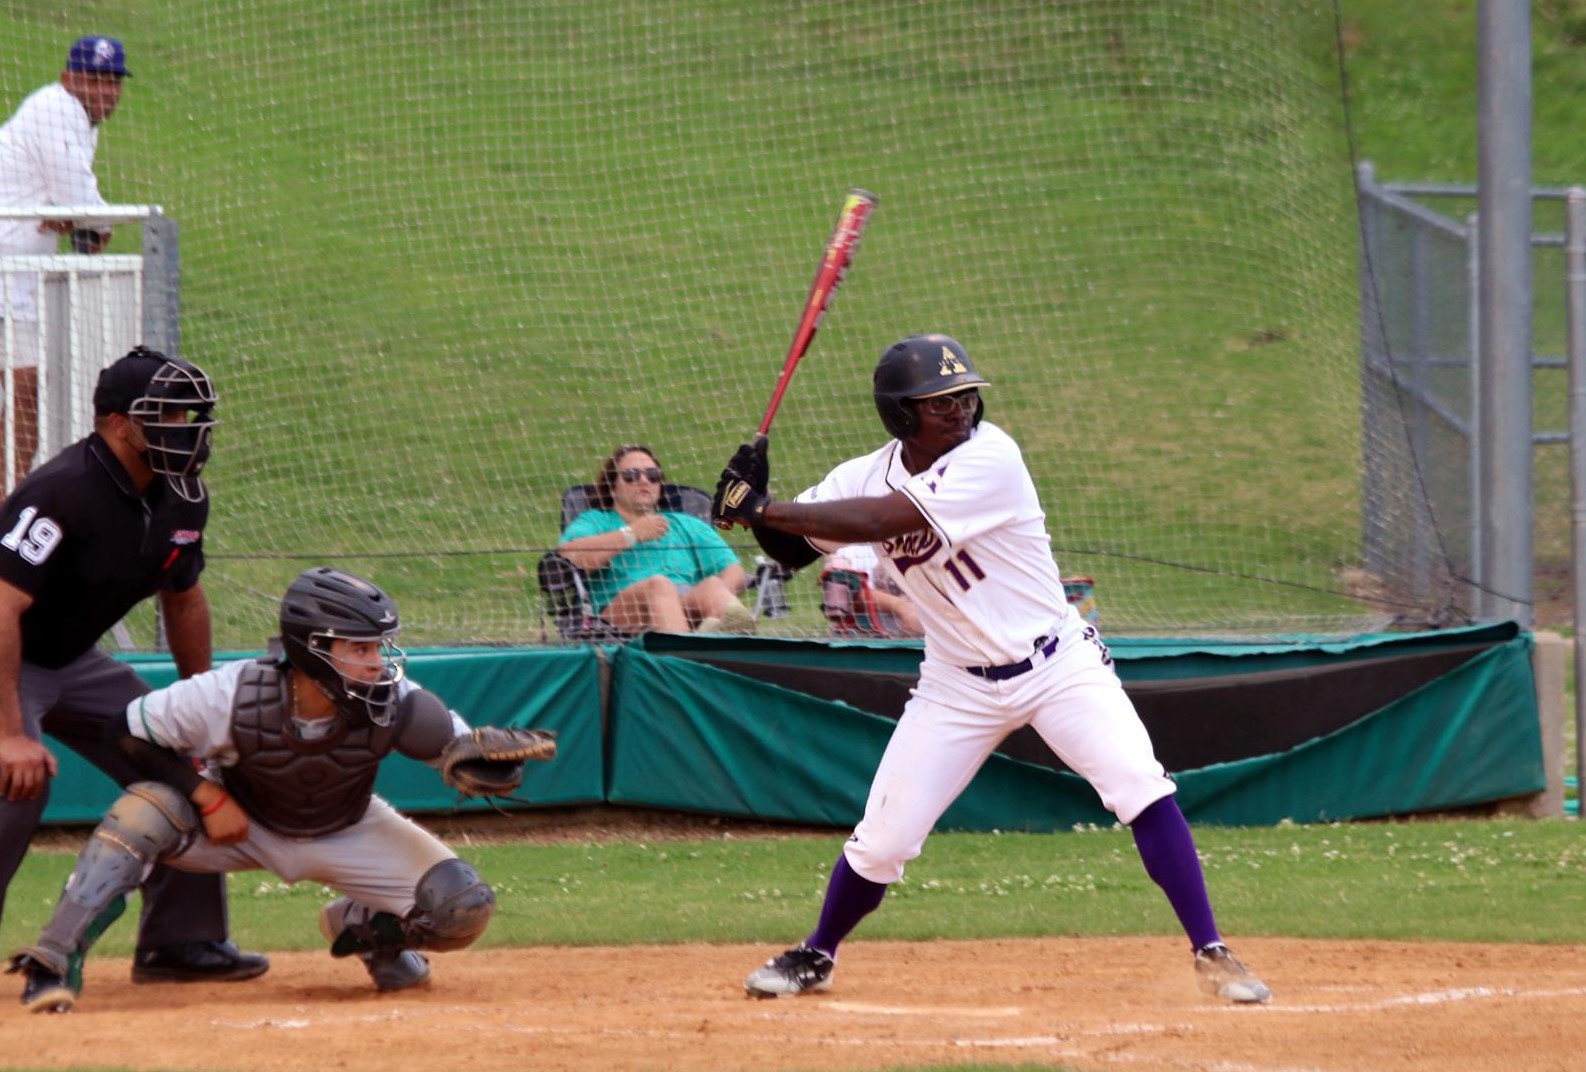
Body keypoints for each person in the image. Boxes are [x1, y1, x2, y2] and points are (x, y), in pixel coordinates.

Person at [712, 334, 1270, 1004]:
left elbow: (882, 518)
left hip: (1056, 662)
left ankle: (1212, 950)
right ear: (899, 412)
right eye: (937, 401)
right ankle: (817, 952)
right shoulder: (864, 473)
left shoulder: (992, 456)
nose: (959, 407)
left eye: (963, 394)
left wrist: (762, 507)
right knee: (884, 836)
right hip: (955, 683)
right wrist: (751, 500)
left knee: (1136, 783)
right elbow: (795, 545)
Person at [7, 566, 547, 1013]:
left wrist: (481, 766)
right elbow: (123, 732)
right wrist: (206, 796)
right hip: (239, 819)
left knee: (461, 907)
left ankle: (363, 926)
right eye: (359, 647)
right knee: (144, 812)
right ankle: (56, 959)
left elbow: (457, 746)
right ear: (313, 649)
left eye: (377, 646)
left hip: (346, 825)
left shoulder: (397, 698)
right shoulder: (229, 692)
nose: (377, 662)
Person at [0, 345, 265, 991]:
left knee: (183, 764)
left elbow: (185, 597)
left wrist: (196, 706)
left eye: (196, 414)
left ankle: (182, 942)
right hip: (11, 653)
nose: (192, 427)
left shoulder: (182, 494)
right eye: (171, 414)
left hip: (73, 659)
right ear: (118, 423)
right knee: (12, 784)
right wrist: (9, 733)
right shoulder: (60, 490)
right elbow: (1, 607)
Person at [0, 36, 130, 487]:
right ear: (68, 79)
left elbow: (71, 206)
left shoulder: (73, 118)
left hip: (17, 282)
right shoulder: (58, 110)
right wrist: (91, 221)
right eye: (94, 80)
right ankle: (8, 505)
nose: (105, 92)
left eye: (113, 83)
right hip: (8, 278)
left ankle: (8, 504)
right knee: (24, 392)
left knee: (24, 395)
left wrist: (75, 217)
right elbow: (81, 202)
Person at [557, 444, 754, 634]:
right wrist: (631, 534)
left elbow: (733, 570)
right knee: (659, 585)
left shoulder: (687, 524)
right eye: (631, 476)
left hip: (682, 607)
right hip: (618, 617)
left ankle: (725, 638)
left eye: (652, 476)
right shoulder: (595, 521)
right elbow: (569, 558)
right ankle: (683, 656)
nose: (644, 481)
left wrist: (717, 598)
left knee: (713, 586)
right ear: (612, 487)